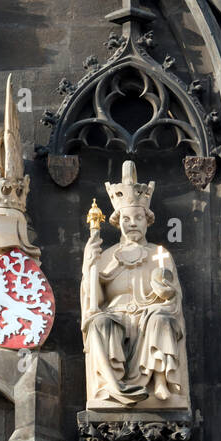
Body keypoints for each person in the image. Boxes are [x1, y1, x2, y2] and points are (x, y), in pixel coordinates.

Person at [81, 161, 189, 409]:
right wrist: (90, 267)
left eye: (138, 217)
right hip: (115, 317)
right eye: (126, 218)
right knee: (98, 322)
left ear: (146, 221)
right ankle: (113, 385)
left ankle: (160, 380)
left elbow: (172, 299)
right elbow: (94, 303)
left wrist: (164, 290)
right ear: (118, 222)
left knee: (162, 317)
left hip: (149, 314)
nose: (132, 222)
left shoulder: (160, 254)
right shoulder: (105, 256)